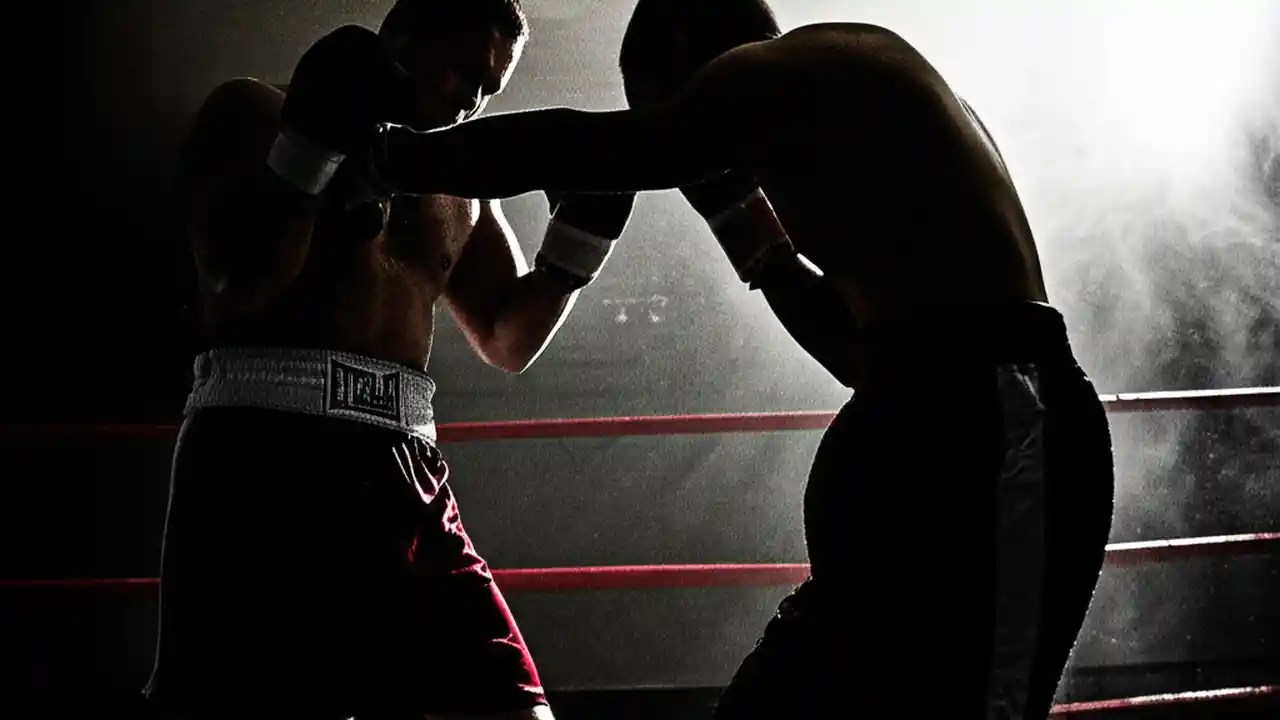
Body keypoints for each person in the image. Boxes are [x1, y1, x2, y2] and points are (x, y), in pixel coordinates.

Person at [346, 1, 1119, 717]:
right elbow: (862, 356)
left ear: (691, 61)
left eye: (671, 106)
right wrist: (766, 256)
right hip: (925, 428)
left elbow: (607, 145)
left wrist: (392, 159)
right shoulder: (850, 129)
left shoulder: (792, 66)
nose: (695, 161)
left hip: (1001, 422)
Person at [144, 1, 636, 717]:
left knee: (510, 706)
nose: (469, 97)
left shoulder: (458, 184)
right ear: (401, 38)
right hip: (263, 451)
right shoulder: (253, 111)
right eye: (458, 70)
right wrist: (315, 153)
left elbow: (507, 340)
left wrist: (575, 251)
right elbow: (237, 281)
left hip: (406, 468)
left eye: (488, 87)